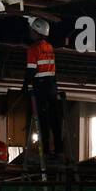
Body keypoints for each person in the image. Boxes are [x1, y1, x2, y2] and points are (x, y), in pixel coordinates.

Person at [22, 16, 64, 158]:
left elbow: (31, 70)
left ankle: (45, 149)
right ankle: (58, 148)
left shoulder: (33, 48)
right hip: (51, 85)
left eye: (32, 30)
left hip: (40, 86)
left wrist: (24, 85)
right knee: (54, 118)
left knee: (42, 119)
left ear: (36, 32)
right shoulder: (49, 47)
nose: (30, 32)